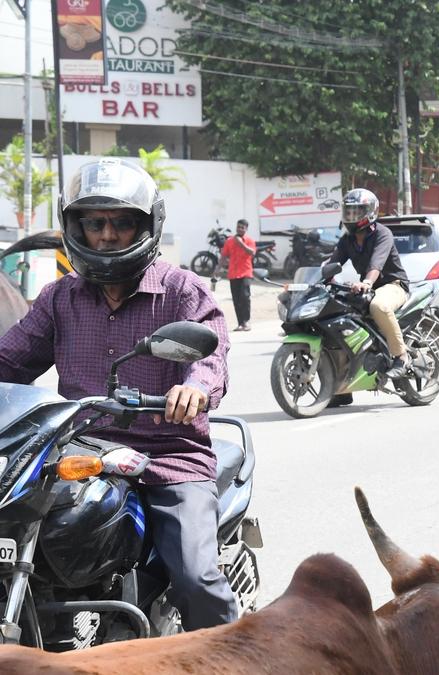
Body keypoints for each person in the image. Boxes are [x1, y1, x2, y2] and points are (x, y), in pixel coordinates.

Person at [0, 158, 237, 631]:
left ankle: (239, 656)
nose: (106, 236)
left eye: (122, 223)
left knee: (195, 578)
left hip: (169, 455)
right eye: (94, 223)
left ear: (146, 226)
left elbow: (210, 357)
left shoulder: (180, 290)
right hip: (79, 455)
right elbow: (11, 359)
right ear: (76, 227)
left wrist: (194, 389)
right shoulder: (58, 298)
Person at [329, 188, 411, 379]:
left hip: (394, 285)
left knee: (379, 306)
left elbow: (377, 263)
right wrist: (317, 280)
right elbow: (332, 264)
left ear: (370, 212)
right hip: (368, 289)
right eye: (348, 211)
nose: (351, 216)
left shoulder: (383, 234)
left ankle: (401, 356)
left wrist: (367, 282)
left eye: (356, 211)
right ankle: (341, 386)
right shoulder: (347, 240)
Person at [219, 218, 255, 331]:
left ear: (246, 229)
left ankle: (247, 321)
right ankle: (240, 323)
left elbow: (252, 252)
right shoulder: (229, 241)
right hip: (233, 274)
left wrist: (241, 243)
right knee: (236, 299)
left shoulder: (249, 240)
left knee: (245, 297)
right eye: (238, 227)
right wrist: (217, 269)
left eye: (242, 228)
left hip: (246, 272)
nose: (240, 229)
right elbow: (224, 256)